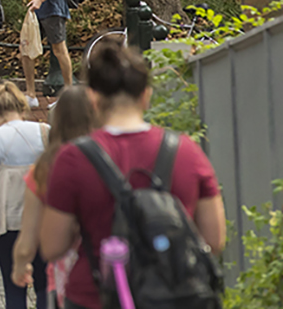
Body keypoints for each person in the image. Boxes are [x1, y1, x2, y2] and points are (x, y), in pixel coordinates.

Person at [40, 40, 225, 309]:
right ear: (146, 95)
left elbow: (52, 246)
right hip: (172, 297)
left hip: (94, 297)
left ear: (93, 98)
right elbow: (214, 240)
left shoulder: (73, 159)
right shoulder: (186, 152)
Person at [11, 87, 97, 307]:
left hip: (66, 277)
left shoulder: (44, 168)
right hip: (111, 269)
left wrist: (20, 265)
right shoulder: (107, 158)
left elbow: (28, 237)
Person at [0, 83, 49, 309]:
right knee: (45, 283)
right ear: (22, 108)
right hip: (43, 220)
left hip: (5, 223)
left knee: (13, 284)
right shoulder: (46, 132)